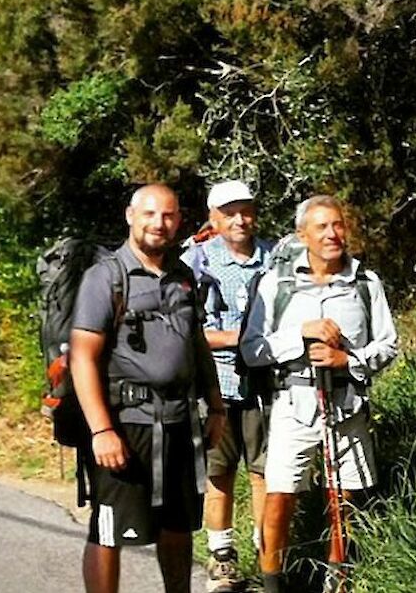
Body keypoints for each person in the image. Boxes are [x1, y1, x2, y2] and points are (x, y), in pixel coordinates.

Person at [70, 183, 227, 593]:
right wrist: (102, 431)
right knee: (110, 530)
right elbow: (82, 356)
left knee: (178, 525)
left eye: (169, 215)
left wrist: (216, 407)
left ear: (178, 221)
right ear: (130, 216)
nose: (160, 223)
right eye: (150, 214)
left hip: (179, 423)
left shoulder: (183, 275)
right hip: (125, 424)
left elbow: (197, 345)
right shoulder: (105, 277)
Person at [240, 195, 398, 592]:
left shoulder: (365, 282)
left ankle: (337, 581)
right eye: (322, 227)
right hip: (294, 405)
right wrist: (301, 335)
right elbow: (252, 349)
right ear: (302, 235)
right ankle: (273, 582)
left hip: (348, 405)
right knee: (280, 498)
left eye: (338, 225)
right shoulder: (276, 284)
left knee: (344, 501)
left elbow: (387, 345)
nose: (332, 234)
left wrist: (347, 360)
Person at [180, 180, 274, 592]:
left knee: (264, 471)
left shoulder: (274, 258)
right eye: (229, 212)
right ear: (213, 218)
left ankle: (266, 553)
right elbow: (184, 329)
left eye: (246, 210)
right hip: (215, 385)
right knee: (219, 473)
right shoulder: (195, 261)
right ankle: (222, 559)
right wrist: (238, 337)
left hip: (266, 383)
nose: (239, 219)